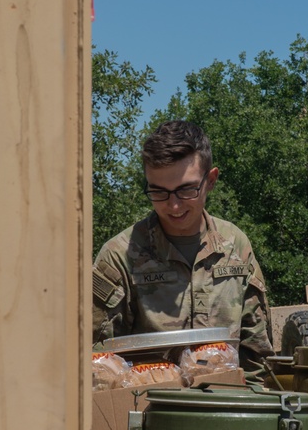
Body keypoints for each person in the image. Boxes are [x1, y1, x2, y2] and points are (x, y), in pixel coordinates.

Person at [92, 120, 274, 377]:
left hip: (225, 405)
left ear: (210, 180)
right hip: (147, 408)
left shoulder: (235, 246)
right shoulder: (120, 256)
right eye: (159, 192)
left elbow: (256, 356)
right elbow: (98, 366)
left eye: (186, 189)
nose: (174, 206)